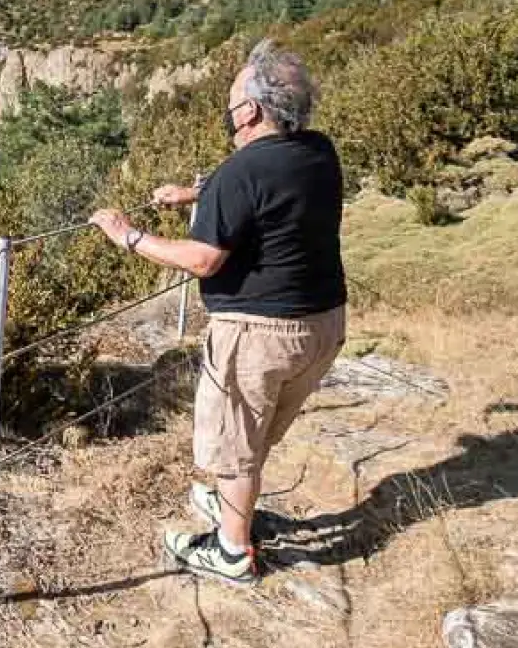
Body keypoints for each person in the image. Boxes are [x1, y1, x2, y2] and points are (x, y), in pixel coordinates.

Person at [88, 39, 347, 586]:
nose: (227, 110)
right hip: (323, 325)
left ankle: (232, 551)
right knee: (253, 436)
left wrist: (128, 236)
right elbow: (266, 191)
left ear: (250, 110)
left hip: (260, 334)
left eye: (232, 99)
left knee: (234, 443)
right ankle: (238, 510)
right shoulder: (318, 151)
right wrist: (195, 194)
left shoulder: (241, 172)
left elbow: (204, 259)